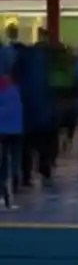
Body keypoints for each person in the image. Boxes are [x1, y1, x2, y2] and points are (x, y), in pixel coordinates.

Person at [14, 29, 54, 187]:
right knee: (44, 142)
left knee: (26, 146)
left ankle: (25, 174)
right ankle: (44, 169)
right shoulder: (43, 63)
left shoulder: (21, 65)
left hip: (26, 112)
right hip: (43, 112)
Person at [0, 58, 22, 210]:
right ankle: (7, 195)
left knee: (4, 163)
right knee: (10, 163)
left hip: (6, 130)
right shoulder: (15, 89)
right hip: (15, 129)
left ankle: (5, 195)